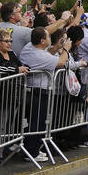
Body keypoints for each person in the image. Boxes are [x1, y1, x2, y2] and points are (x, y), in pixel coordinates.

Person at [18, 27, 70, 162]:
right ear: (42, 40)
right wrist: (65, 49)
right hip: (37, 91)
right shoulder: (38, 55)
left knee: (38, 122)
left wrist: (55, 48)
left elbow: (49, 54)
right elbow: (60, 62)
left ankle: (34, 149)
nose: (50, 39)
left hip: (36, 90)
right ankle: (31, 152)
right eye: (48, 37)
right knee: (37, 122)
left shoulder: (31, 46)